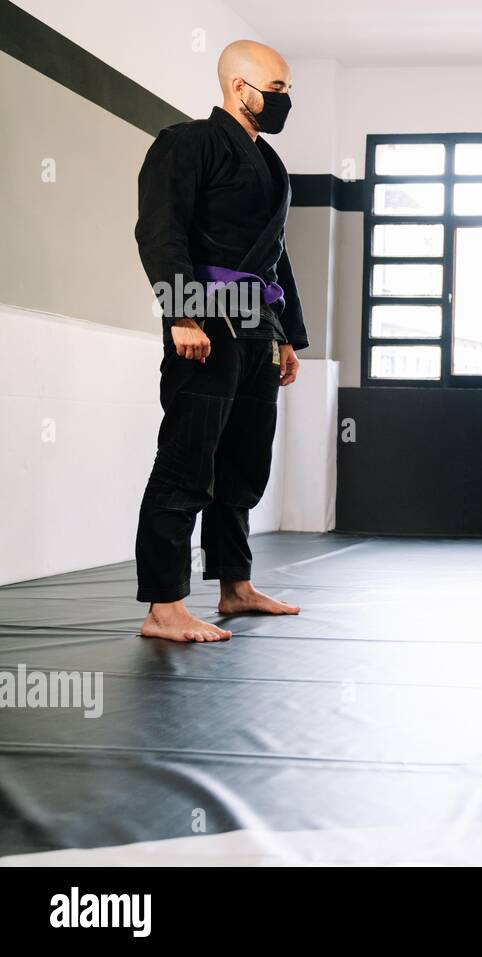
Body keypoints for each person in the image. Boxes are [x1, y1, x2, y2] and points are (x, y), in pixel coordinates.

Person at [133, 40, 308, 642]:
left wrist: (288, 339)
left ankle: (235, 587)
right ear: (240, 87)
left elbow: (277, 261)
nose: (285, 102)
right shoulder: (186, 143)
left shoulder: (274, 166)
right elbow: (161, 230)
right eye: (278, 90)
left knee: (243, 462)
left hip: (257, 326)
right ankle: (163, 605)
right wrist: (182, 313)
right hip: (205, 319)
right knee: (188, 459)